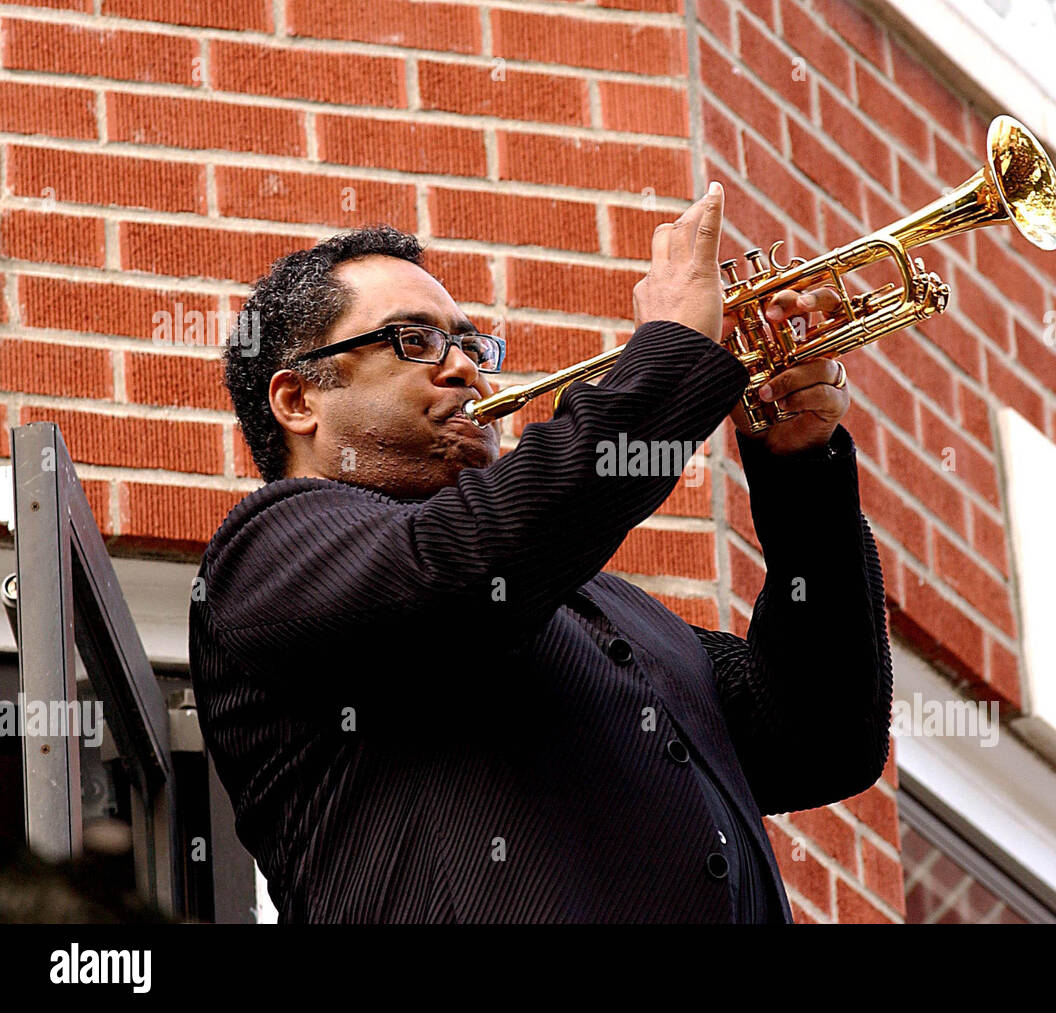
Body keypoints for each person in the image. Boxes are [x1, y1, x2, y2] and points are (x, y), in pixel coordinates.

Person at [189, 183, 893, 923]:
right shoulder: (266, 554)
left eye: (469, 343)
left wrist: (800, 470)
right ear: (299, 400)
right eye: (414, 340)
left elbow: (824, 739)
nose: (465, 369)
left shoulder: (615, 610)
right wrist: (673, 351)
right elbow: (461, 565)